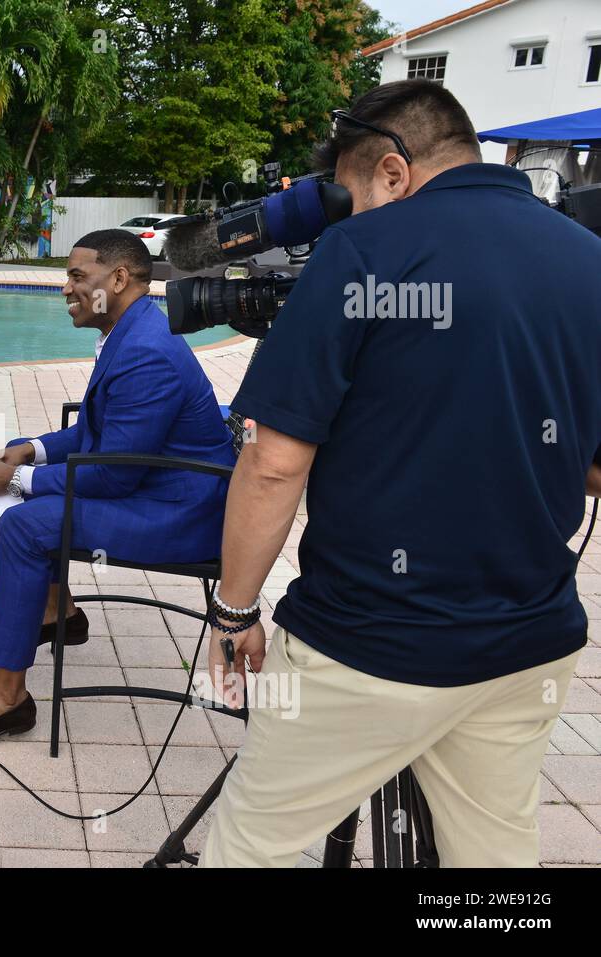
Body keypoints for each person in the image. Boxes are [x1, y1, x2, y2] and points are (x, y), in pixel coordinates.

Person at [201, 80, 601, 867]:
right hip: (529, 642)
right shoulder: (591, 260)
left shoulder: (362, 250)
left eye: (349, 198)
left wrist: (234, 610)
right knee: (493, 859)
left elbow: (274, 463)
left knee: (252, 846)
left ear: (392, 171)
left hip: (368, 643)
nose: (346, 218)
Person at [0, 229, 235, 745]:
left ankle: (7, 700)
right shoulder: (132, 329)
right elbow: (98, 434)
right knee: (31, 478)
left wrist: (16, 479)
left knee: (25, 524)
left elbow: (112, 474)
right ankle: (58, 611)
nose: (65, 288)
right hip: (157, 483)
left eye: (76, 276)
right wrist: (31, 451)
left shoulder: (146, 352)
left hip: (182, 513)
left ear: (118, 278)